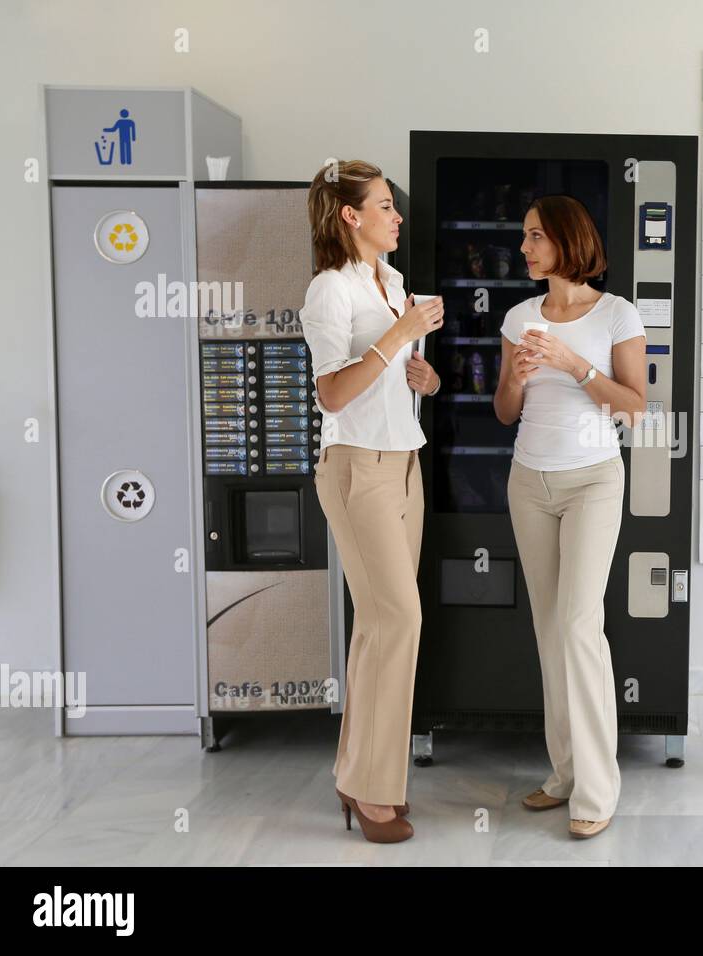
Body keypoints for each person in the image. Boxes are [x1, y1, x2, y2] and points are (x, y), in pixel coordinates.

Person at [300, 160, 445, 843]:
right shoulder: (329, 291)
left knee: (380, 628)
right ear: (350, 216)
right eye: (385, 206)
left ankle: (361, 777)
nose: (397, 216)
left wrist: (426, 374)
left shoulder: (390, 284)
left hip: (405, 465)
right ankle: (371, 791)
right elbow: (331, 394)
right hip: (357, 470)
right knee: (398, 621)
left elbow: (391, 381)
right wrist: (397, 336)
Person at [494, 195, 647, 838]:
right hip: (528, 482)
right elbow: (503, 411)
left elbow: (635, 407)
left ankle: (597, 788)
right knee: (550, 625)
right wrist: (521, 377)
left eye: (535, 236)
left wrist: (573, 364)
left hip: (592, 482)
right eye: (524, 237)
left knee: (582, 625)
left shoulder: (617, 313)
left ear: (565, 241)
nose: (525, 248)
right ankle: (563, 772)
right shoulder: (519, 316)